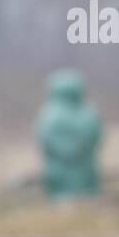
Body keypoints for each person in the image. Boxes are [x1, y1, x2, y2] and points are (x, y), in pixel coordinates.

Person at [36, 69, 102, 199]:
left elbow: (95, 133)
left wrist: (83, 146)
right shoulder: (51, 114)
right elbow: (48, 138)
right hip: (61, 169)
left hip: (85, 166)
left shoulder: (87, 112)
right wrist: (69, 150)